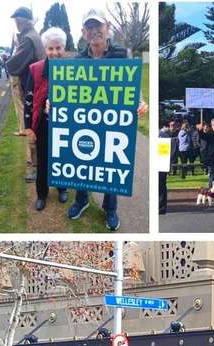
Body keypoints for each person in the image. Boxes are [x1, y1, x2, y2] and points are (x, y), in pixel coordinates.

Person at [65, 9, 147, 230]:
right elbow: (68, 90)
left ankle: (110, 208)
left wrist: (139, 101)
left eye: (98, 26)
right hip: (85, 119)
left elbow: (133, 85)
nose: (94, 31)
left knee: (110, 162)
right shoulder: (79, 58)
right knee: (81, 158)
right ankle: (81, 200)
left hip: (112, 120)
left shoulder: (122, 53)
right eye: (89, 27)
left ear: (107, 27)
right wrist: (54, 103)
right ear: (83, 32)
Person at [21, 27, 67, 212]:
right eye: (50, 48)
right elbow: (29, 100)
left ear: (64, 48)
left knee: (62, 158)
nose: (55, 52)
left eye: (58, 48)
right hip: (43, 123)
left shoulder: (74, 69)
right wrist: (28, 128)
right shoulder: (35, 69)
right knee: (43, 159)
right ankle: (42, 193)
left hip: (65, 125)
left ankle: (62, 187)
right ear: (45, 49)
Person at [5, 7, 44, 183]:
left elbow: (14, 65)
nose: (16, 23)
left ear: (25, 20)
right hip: (36, 89)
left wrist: (7, 60)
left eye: (18, 20)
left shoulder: (28, 39)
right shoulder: (33, 36)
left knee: (31, 129)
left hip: (30, 90)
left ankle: (36, 169)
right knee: (34, 128)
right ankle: (37, 165)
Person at [158, 119, 181, 214]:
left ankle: (161, 207)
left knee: (161, 185)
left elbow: (170, 151)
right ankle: (161, 207)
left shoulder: (163, 135)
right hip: (161, 162)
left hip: (161, 162)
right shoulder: (163, 134)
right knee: (161, 185)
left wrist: (168, 162)